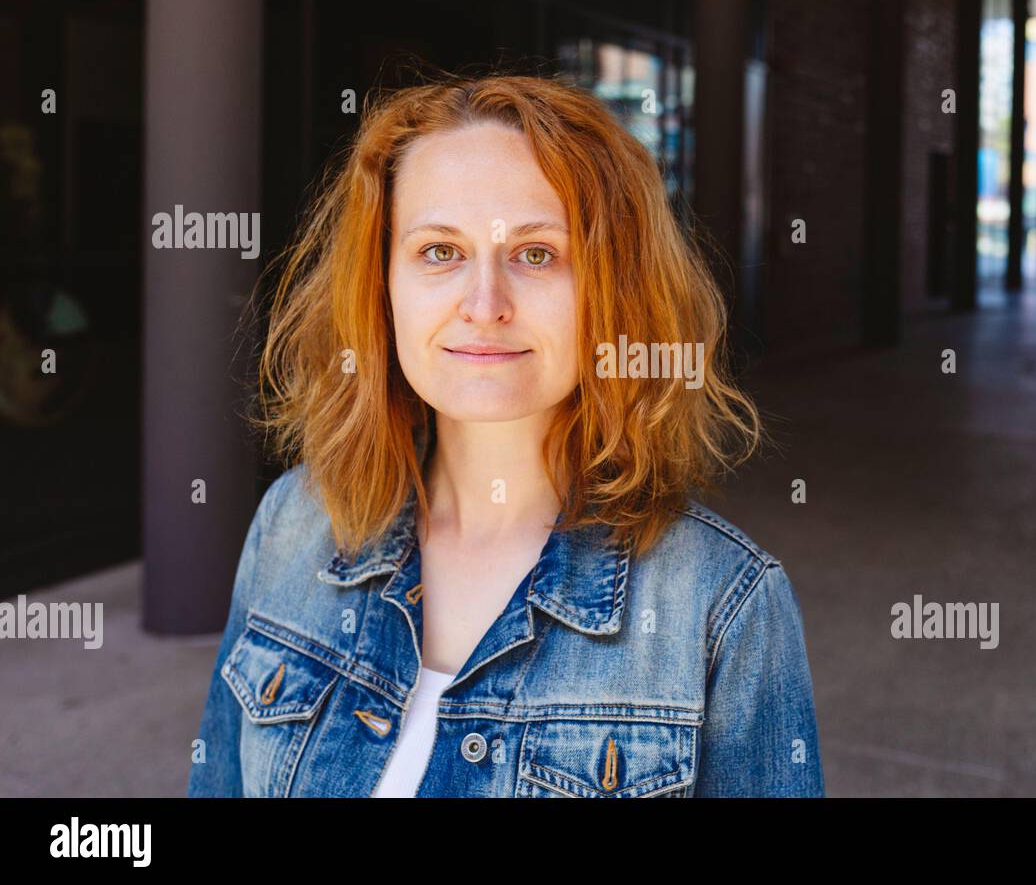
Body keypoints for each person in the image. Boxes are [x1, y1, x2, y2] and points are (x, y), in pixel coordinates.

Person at [186, 71, 825, 797]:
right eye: (439, 251)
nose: (484, 305)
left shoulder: (722, 603)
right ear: (381, 284)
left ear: (614, 290)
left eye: (536, 254)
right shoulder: (294, 523)